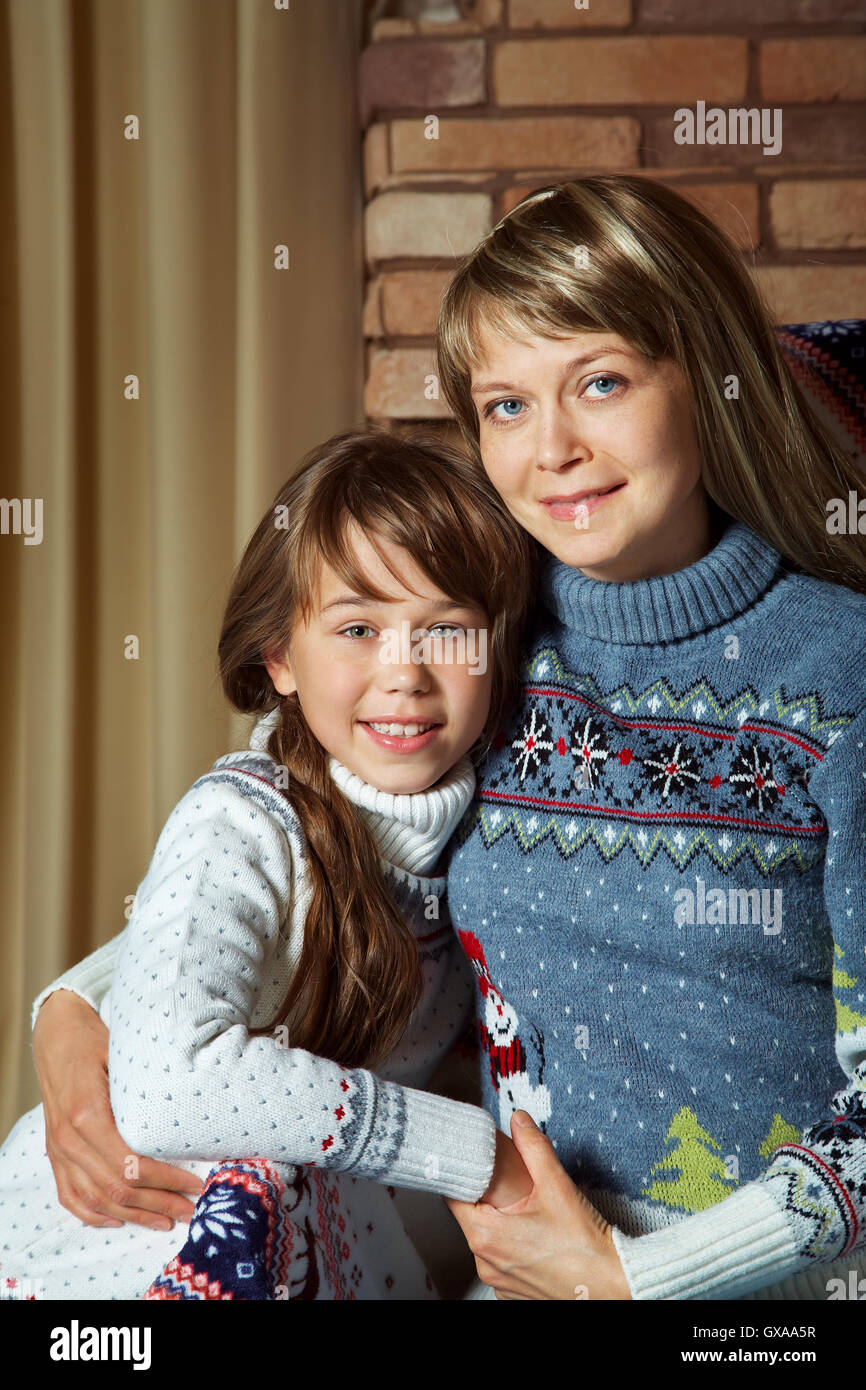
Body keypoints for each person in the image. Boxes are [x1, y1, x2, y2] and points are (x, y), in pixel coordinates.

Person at [17, 175, 866, 1302]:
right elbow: (315, 850)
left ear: (708, 381)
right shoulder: (481, 635)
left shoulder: (835, 671)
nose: (552, 446)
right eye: (506, 406)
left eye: (600, 382)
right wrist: (76, 1010)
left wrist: (643, 1282)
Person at [0, 427, 540, 1301]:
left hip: (321, 1230)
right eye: (358, 628)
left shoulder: (485, 835)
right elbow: (170, 1086)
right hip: (129, 1239)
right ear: (280, 657)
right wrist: (470, 1155)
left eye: (446, 629)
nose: (403, 674)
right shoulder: (241, 822)